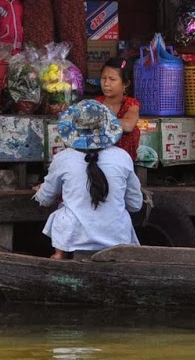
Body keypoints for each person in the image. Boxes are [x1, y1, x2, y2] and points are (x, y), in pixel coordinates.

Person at [35, 100, 144, 259]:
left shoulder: (63, 159)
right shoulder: (122, 157)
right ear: (108, 129)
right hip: (118, 239)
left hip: (74, 240)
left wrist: (39, 191)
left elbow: (45, 199)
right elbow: (135, 204)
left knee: (61, 212)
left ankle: (59, 255)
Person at [99, 58, 144, 162]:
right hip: (100, 159)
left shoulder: (131, 104)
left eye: (112, 79)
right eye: (103, 78)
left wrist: (98, 121)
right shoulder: (97, 103)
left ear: (125, 84)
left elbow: (128, 125)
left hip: (123, 160)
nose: (106, 83)